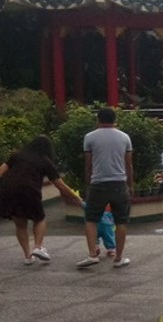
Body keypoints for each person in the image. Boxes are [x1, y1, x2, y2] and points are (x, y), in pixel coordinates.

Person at [0, 135, 82, 265]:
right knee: (40, 218)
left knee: (20, 224)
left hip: (8, 190)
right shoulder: (45, 161)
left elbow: (1, 171)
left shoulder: (17, 156)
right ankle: (37, 247)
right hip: (29, 189)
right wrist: (76, 199)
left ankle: (27, 256)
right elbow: (60, 185)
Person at [78, 107, 134, 268]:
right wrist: (130, 185)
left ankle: (92, 254)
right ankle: (119, 257)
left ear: (98, 119)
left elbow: (88, 165)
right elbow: (128, 164)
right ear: (115, 119)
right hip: (119, 184)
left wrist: (88, 184)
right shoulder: (125, 137)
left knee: (91, 219)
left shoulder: (89, 138)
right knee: (121, 220)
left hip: (98, 183)